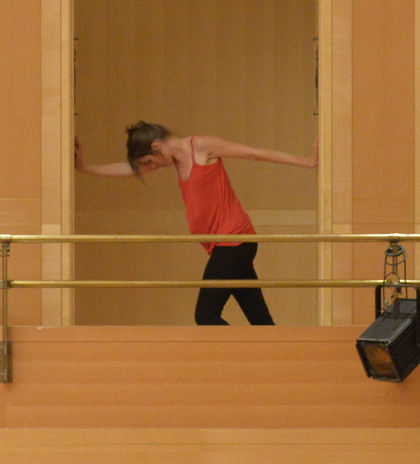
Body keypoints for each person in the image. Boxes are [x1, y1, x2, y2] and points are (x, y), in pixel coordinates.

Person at [74, 122, 318, 325]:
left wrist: (305, 162)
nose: (152, 167)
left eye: (150, 160)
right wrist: (84, 168)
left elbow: (254, 153)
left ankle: (243, 357)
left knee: (206, 315)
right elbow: (127, 170)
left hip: (233, 240)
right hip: (227, 244)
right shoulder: (176, 160)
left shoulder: (201, 147)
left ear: (157, 146)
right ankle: (276, 361)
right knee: (260, 320)